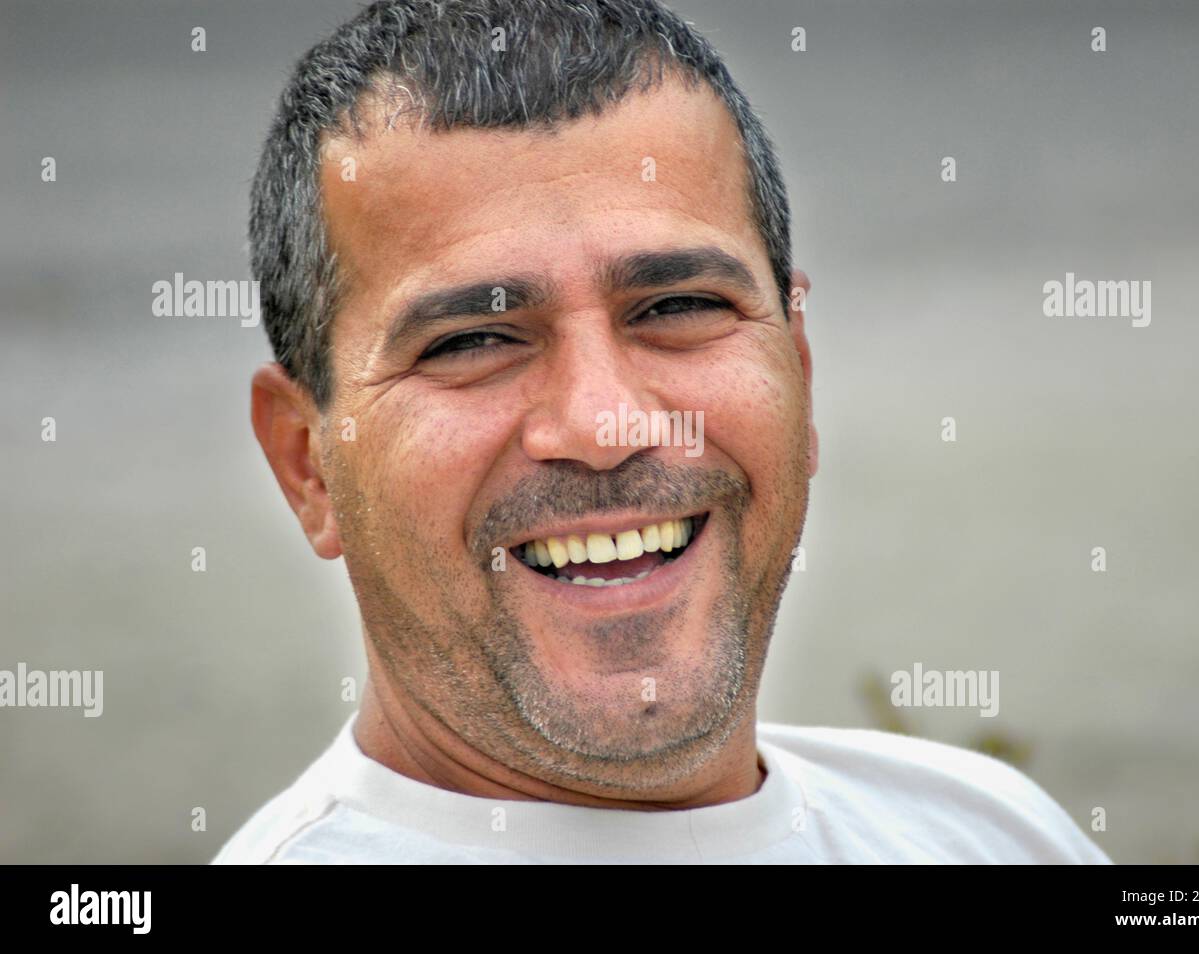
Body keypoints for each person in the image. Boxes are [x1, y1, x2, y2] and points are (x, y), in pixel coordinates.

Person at [214, 0, 1110, 864]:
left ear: (799, 373)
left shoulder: (990, 833)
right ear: (308, 468)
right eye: (473, 340)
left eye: (679, 306)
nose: (607, 426)